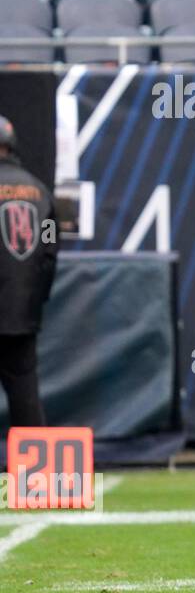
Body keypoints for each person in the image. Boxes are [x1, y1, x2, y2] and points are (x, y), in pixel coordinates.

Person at [0, 116, 56, 427]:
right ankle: (32, 470)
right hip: (22, 315)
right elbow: (48, 248)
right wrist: (35, 301)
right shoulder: (40, 192)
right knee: (26, 399)